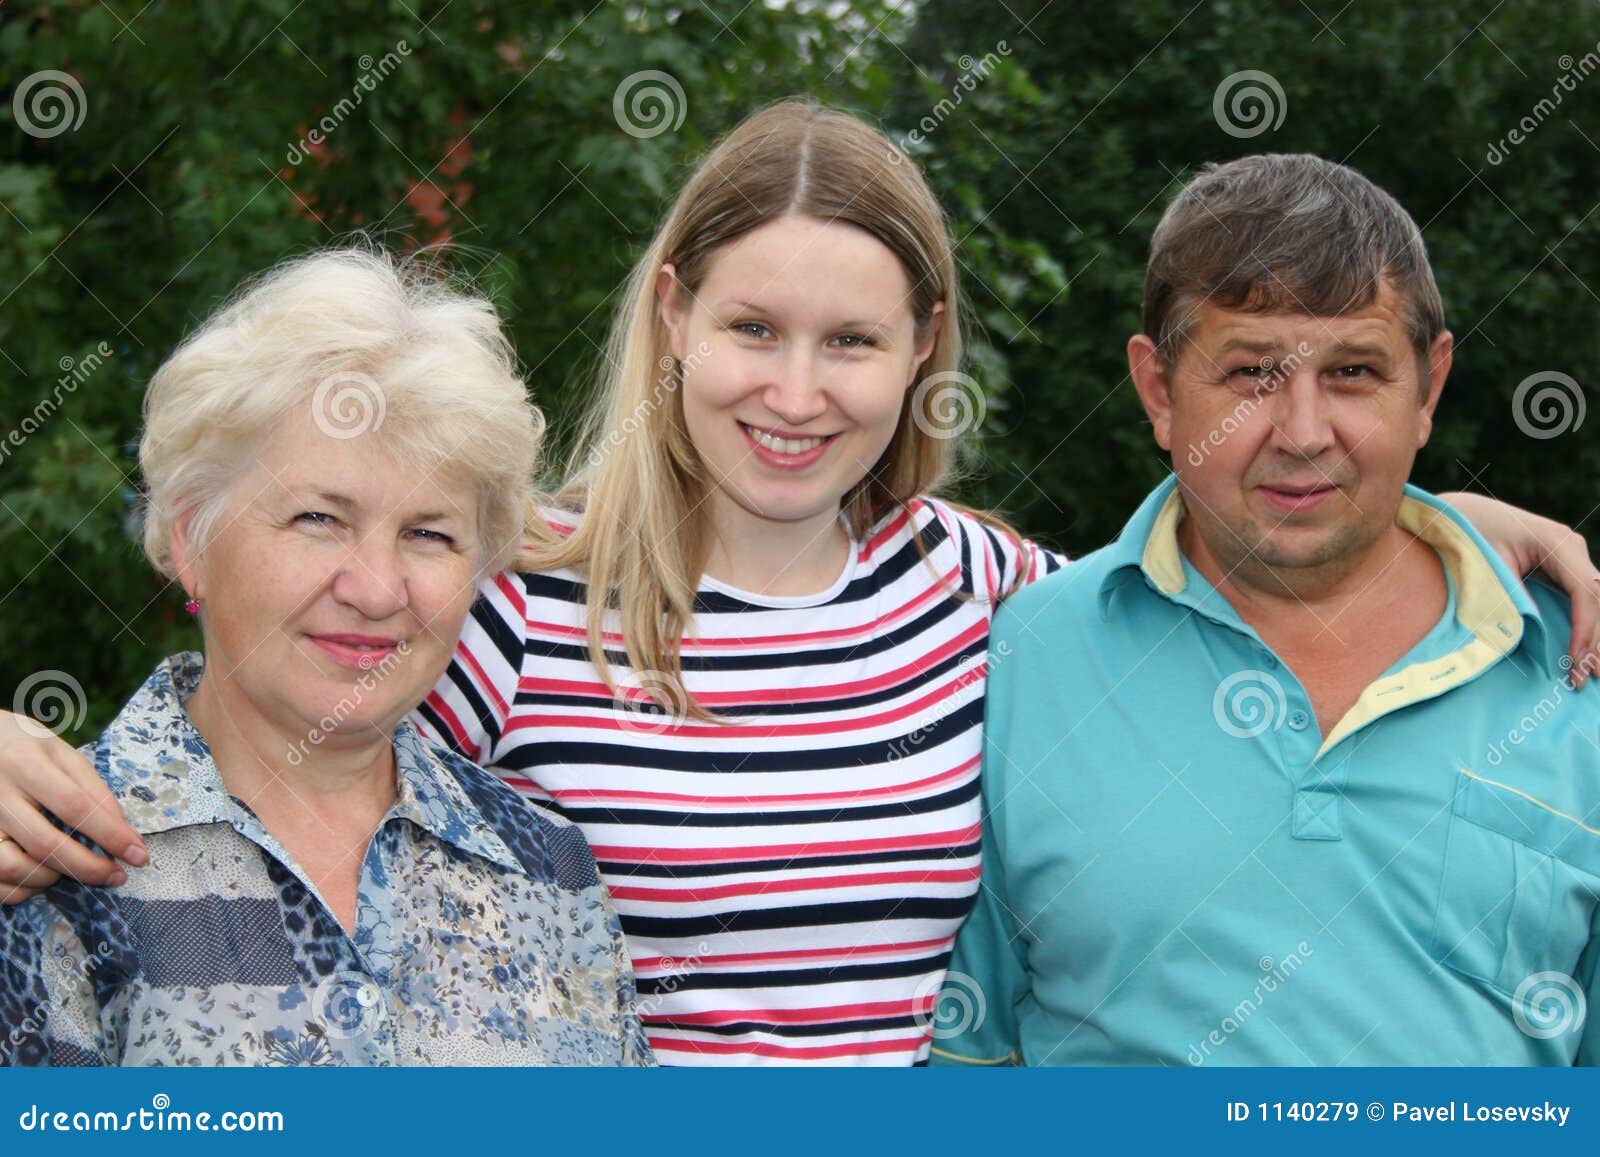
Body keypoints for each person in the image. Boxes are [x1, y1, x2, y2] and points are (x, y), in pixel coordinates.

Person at [1, 106, 1598, 1066]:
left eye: (854, 342)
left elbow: (1248, 557)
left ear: (921, 361)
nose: (798, 389)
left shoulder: (996, 599)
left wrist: (1446, 522)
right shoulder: (509, 585)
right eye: (756, 328)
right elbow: (259, 734)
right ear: (676, 317)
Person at [930, 153, 1600, 1067]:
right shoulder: (1017, 661)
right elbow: (966, 1065)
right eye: (1250, 373)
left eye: (1356, 371)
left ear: (1429, 390)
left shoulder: (1572, 663)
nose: (1303, 431)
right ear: (1161, 390)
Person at [0, 248, 652, 1066]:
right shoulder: (42, 862)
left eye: (429, 533)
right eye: (318, 518)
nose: (378, 588)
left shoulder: (547, 864)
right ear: (190, 538)